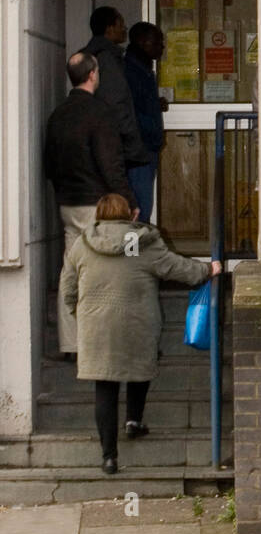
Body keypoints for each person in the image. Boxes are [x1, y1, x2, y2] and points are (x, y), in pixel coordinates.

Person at [60, 193, 220, 474]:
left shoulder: (82, 244)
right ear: (131, 215)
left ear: (98, 215)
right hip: (137, 321)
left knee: (105, 386)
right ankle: (133, 420)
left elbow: (69, 289)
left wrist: (82, 316)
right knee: (139, 367)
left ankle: (109, 457)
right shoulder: (139, 242)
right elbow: (174, 267)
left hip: (96, 325)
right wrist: (207, 269)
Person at [44, 51, 138, 357]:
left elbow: (49, 163)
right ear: (93, 75)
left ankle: (71, 343)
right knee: (106, 273)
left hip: (67, 204)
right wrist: (128, 200)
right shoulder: (101, 114)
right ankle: (105, 344)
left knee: (70, 273)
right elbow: (111, 165)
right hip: (96, 206)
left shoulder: (58, 115)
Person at [85, 7, 150, 174]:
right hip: (112, 145)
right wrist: (133, 145)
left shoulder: (93, 55)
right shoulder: (107, 59)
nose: (125, 28)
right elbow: (116, 104)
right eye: (120, 23)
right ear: (109, 28)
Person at [124, 22, 168, 223]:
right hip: (139, 149)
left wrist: (154, 104)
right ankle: (135, 253)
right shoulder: (132, 71)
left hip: (144, 147)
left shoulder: (141, 69)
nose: (161, 47)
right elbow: (131, 110)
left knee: (142, 207)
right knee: (139, 209)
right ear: (142, 42)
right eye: (156, 42)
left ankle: (137, 252)